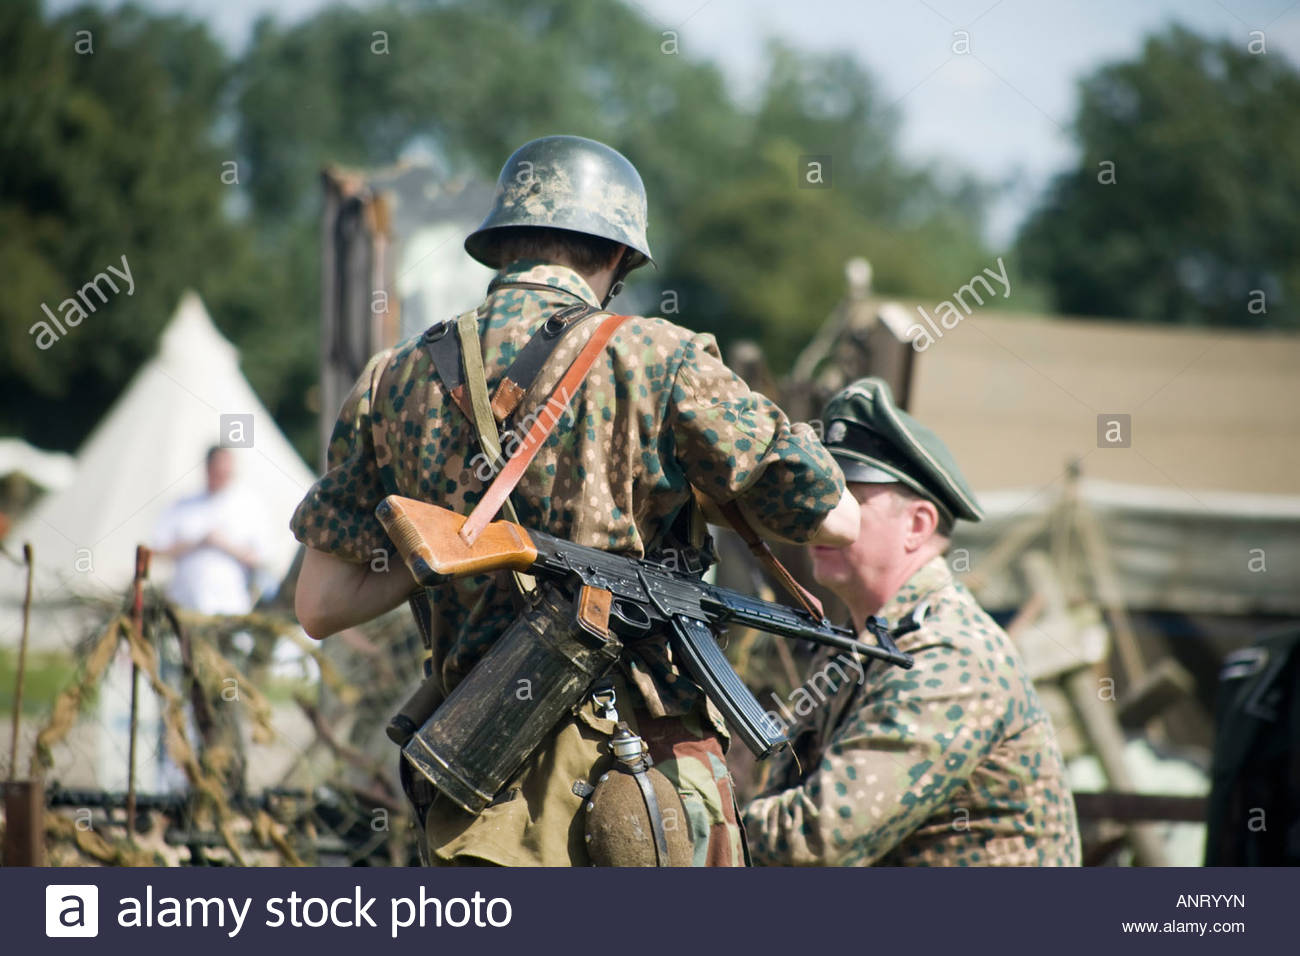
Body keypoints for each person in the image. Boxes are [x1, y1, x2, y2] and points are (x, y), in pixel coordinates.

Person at [291, 134, 859, 866]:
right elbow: (835, 517)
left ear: (501, 246)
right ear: (619, 258)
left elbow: (320, 604)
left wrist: (454, 546)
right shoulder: (659, 358)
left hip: (480, 785)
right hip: (640, 789)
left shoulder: (390, 378)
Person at [743, 377, 1081, 866]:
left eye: (848, 498)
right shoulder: (860, 644)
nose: (819, 513)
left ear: (917, 525)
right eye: (822, 493)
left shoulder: (949, 654)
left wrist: (695, 822)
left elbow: (820, 838)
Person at [152, 445, 268, 616]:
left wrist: (225, 545)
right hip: (184, 603)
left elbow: (261, 559)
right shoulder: (182, 504)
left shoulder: (250, 506)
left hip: (230, 605)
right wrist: (199, 542)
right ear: (208, 468)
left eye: (226, 471)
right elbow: (158, 550)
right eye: (218, 470)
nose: (222, 476)